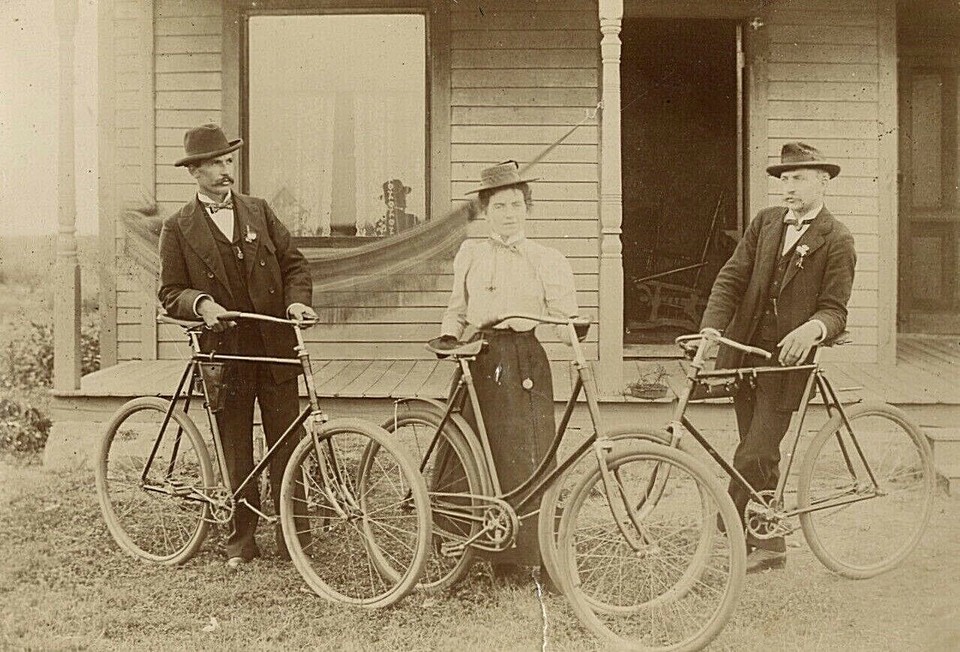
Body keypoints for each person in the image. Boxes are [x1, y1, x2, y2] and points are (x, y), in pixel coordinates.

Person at [158, 123, 318, 570]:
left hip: (273, 343)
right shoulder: (178, 227)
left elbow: (295, 265)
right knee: (236, 446)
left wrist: (297, 303)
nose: (226, 171)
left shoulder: (259, 211)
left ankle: (294, 536)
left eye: (228, 161)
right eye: (214, 164)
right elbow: (171, 293)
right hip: (224, 351)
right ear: (194, 171)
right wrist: (202, 303)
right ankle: (241, 540)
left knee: (287, 438)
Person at [699, 142, 857, 573]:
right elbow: (732, 276)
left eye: (798, 178)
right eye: (783, 179)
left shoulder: (837, 237)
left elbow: (836, 311)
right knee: (760, 451)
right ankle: (770, 545)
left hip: (788, 363)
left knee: (755, 451)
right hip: (746, 353)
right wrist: (712, 328)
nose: (788, 187)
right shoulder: (766, 223)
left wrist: (812, 330)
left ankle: (729, 520)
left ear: (823, 181)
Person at [437, 160, 579, 583]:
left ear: (527, 208)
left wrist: (575, 347)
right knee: (473, 451)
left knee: (527, 455)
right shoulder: (470, 254)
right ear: (485, 211)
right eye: (500, 206)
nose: (509, 213)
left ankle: (526, 555)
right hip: (478, 358)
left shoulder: (547, 259)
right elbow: (457, 310)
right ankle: (472, 544)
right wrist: (448, 337)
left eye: (516, 204)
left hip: (523, 361)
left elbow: (565, 316)